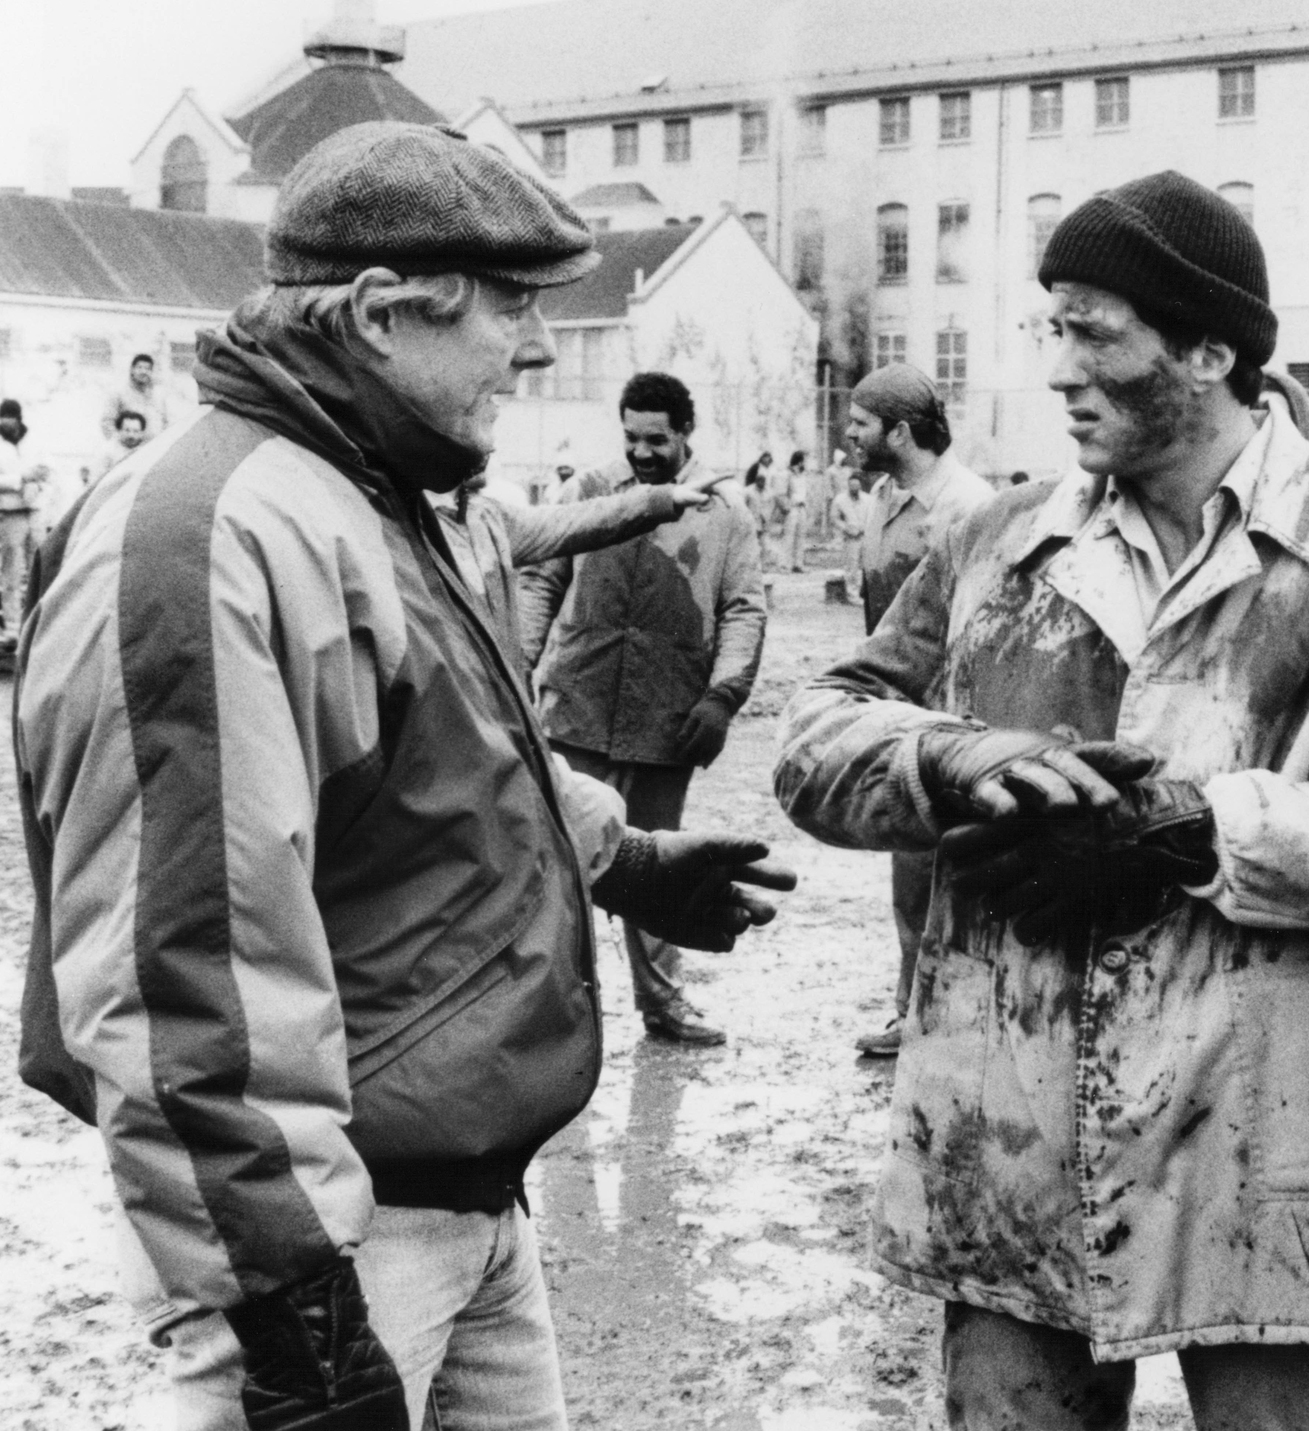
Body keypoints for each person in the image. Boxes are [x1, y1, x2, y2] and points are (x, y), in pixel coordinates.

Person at [13, 121, 794, 1431]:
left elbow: (460, 755)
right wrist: (295, 1320)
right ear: (383, 312)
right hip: (334, 1238)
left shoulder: (382, 497)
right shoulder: (213, 536)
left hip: (464, 1199)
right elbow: (180, 966)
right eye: (510, 308)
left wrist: (623, 856)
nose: (538, 347)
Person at [776, 170, 1309, 1428]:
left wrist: (1193, 830)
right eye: (1054, 327)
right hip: (1011, 1140)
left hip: (1258, 1150)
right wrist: (954, 760)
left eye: (1093, 329)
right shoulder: (997, 540)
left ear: (1208, 350)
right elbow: (812, 738)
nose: (1058, 368)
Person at [523, 371, 768, 1047]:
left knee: (658, 867)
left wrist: (723, 695)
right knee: (561, 863)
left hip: (667, 719)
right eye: (631, 437)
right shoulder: (589, 493)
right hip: (578, 704)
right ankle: (550, 1013)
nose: (642, 452)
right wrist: (519, 660)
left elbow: (744, 607)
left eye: (656, 439)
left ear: (685, 432)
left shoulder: (726, 513)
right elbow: (543, 578)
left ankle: (664, 1004)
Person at [838, 363, 995, 1058]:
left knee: (956, 876)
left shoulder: (969, 507)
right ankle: (914, 1011)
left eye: (861, 424)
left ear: (900, 432)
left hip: (952, 723)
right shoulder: (884, 495)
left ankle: (952, 1021)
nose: (849, 434)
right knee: (909, 877)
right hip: (898, 713)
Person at [427, 466, 704, 680]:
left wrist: (661, 499)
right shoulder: (403, 527)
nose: (488, 447)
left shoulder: (486, 517)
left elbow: (575, 521)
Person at [0, 398, 47, 632]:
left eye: (9, 417)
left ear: (18, 418)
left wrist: (39, 480)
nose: (6, 422)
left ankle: (35, 622)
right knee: (11, 570)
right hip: (9, 514)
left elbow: (47, 468)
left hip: (35, 510)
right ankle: (11, 624)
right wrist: (20, 479)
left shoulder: (33, 440)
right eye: (2, 417)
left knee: (37, 566)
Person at [100, 351, 171, 440]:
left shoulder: (158, 396)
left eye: (148, 368)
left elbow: (165, 423)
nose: (144, 371)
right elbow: (107, 422)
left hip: (154, 449)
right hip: (129, 451)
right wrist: (119, 444)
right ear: (132, 370)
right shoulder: (119, 394)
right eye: (140, 367)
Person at [828, 462, 868, 604]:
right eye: (851, 486)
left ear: (860, 486)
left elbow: (873, 516)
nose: (854, 489)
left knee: (867, 566)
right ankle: (852, 595)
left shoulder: (868, 499)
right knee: (852, 567)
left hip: (865, 536)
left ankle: (865, 594)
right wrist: (846, 528)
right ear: (848, 485)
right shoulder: (840, 499)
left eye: (856, 486)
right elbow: (834, 518)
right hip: (850, 537)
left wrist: (864, 528)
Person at [783, 448, 811, 571]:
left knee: (801, 537)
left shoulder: (805, 474)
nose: (806, 463)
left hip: (802, 507)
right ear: (799, 461)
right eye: (804, 461)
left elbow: (806, 492)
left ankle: (798, 564)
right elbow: (783, 492)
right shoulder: (788, 474)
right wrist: (786, 507)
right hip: (792, 508)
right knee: (789, 537)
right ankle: (785, 565)